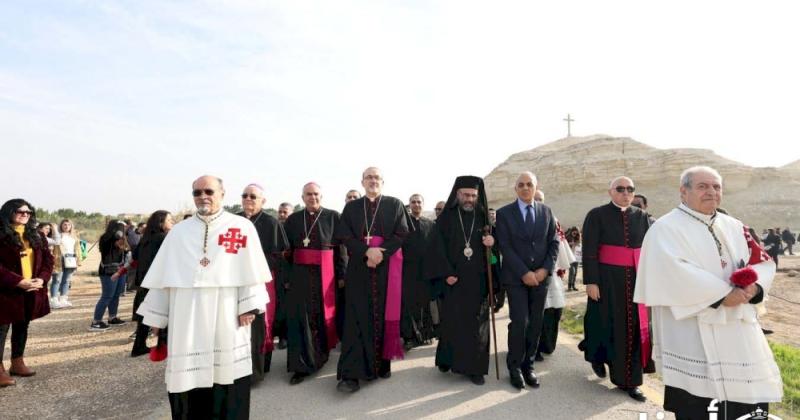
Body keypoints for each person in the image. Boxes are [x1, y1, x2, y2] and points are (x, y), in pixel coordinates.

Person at [635, 166, 783, 419]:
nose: (711, 192)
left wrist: (754, 286)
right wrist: (721, 295)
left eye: (716, 187)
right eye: (703, 186)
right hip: (693, 326)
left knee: (745, 398)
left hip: (737, 325)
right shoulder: (665, 228)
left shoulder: (735, 225)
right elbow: (672, 271)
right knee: (699, 402)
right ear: (684, 192)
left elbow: (761, 261)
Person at [137, 175, 270, 420]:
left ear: (222, 193)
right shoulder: (178, 232)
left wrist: (248, 305)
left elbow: (252, 272)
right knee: (189, 384)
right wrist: (156, 320)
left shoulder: (241, 227)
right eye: (197, 193)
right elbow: (163, 280)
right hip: (187, 316)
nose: (202, 197)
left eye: (208, 191)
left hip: (227, 312)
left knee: (227, 376)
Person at [579, 176, 654, 402]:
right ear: (610, 191)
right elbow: (590, 249)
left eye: (630, 189)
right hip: (606, 280)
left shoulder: (642, 217)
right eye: (620, 189)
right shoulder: (597, 215)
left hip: (635, 281)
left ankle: (630, 381)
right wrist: (591, 281)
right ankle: (597, 357)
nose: (625, 192)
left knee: (631, 328)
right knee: (603, 323)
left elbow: (650, 250)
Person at [334, 167, 409, 393]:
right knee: (356, 318)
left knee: (382, 315)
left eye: (377, 177)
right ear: (362, 182)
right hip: (359, 267)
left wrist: (380, 254)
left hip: (385, 269)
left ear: (383, 182)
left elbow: (402, 234)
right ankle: (350, 374)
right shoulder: (351, 207)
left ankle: (381, 363)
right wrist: (367, 252)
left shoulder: (394, 204)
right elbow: (344, 235)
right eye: (369, 177)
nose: (373, 181)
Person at [425, 176, 495, 385]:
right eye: (465, 195)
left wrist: (493, 242)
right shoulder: (446, 218)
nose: (469, 199)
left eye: (473, 195)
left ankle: (475, 369)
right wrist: (446, 273)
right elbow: (435, 249)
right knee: (452, 323)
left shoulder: (483, 218)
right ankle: (448, 359)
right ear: (457, 194)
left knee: (478, 326)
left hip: (478, 281)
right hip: (454, 281)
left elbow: (493, 252)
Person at [495, 172, 559, 390]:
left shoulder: (547, 211)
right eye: (521, 185)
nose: (525, 188)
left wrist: (544, 270)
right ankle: (514, 366)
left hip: (541, 279)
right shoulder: (504, 214)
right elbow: (504, 246)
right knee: (521, 322)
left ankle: (528, 366)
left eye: (529, 184)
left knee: (536, 323)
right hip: (516, 278)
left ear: (535, 187)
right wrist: (524, 272)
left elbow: (554, 243)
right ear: (515, 189)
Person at [284, 182, 346, 385]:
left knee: (321, 316)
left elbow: (341, 249)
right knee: (301, 319)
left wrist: (341, 274)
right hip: (300, 277)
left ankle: (320, 355)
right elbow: (287, 252)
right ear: (302, 198)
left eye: (316, 194)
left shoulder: (333, 216)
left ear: (322, 196)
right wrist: (287, 278)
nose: (313, 197)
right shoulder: (293, 220)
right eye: (308, 194)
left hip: (325, 276)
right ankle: (302, 364)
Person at [0, 199, 54, 387]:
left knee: (22, 326)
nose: (25, 214)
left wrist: (42, 279)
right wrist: (17, 281)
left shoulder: (37, 235)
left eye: (28, 212)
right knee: (1, 329)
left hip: (30, 289)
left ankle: (17, 362)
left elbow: (48, 261)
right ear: (9, 212)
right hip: (5, 291)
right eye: (20, 211)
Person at [238, 183, 288, 384]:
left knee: (261, 324)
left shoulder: (270, 223)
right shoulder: (234, 221)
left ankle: (259, 369)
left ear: (263, 201)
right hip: (236, 281)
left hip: (261, 280)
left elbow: (280, 254)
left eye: (253, 196)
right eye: (245, 195)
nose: (248, 199)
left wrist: (254, 267)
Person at [533, 191, 576, 362]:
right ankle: (533, 348)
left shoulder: (552, 218)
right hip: (531, 274)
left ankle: (547, 345)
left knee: (552, 311)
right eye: (535, 199)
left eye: (540, 200)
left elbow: (560, 247)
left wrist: (558, 269)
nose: (537, 202)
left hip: (551, 272)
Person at [129, 210, 174, 357]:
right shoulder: (163, 238)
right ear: (161, 222)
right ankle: (162, 346)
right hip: (157, 281)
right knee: (161, 313)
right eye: (169, 220)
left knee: (146, 315)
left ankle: (139, 346)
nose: (172, 223)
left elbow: (134, 256)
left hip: (144, 281)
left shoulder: (145, 238)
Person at [400, 194, 435, 351]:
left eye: (418, 202)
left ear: (423, 204)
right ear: (409, 204)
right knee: (409, 305)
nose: (416, 205)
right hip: (408, 271)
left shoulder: (430, 224)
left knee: (425, 303)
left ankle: (426, 334)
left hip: (426, 271)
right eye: (413, 202)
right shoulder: (403, 225)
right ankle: (410, 337)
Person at [89, 220, 130, 331]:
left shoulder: (121, 238)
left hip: (119, 269)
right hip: (108, 270)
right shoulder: (106, 238)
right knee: (107, 296)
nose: (124, 229)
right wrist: (118, 229)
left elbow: (126, 250)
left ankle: (112, 317)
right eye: (122, 227)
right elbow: (113, 238)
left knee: (116, 295)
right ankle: (96, 322)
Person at [50, 219, 82, 308]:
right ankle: (54, 300)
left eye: (68, 225)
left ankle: (63, 299)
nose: (66, 226)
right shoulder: (57, 235)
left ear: (71, 226)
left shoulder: (74, 236)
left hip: (71, 260)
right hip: (59, 259)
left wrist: (78, 260)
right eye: (64, 224)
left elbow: (78, 249)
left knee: (67, 280)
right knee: (57, 279)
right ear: (61, 225)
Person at [566, 227, 582, 291]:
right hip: (570, 256)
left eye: (576, 233)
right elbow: (565, 244)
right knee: (572, 271)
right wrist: (571, 244)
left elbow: (580, 245)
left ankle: (573, 285)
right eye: (574, 232)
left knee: (575, 272)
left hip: (576, 257)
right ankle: (569, 286)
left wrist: (578, 243)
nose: (575, 234)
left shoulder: (578, 237)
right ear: (572, 231)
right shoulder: (568, 237)